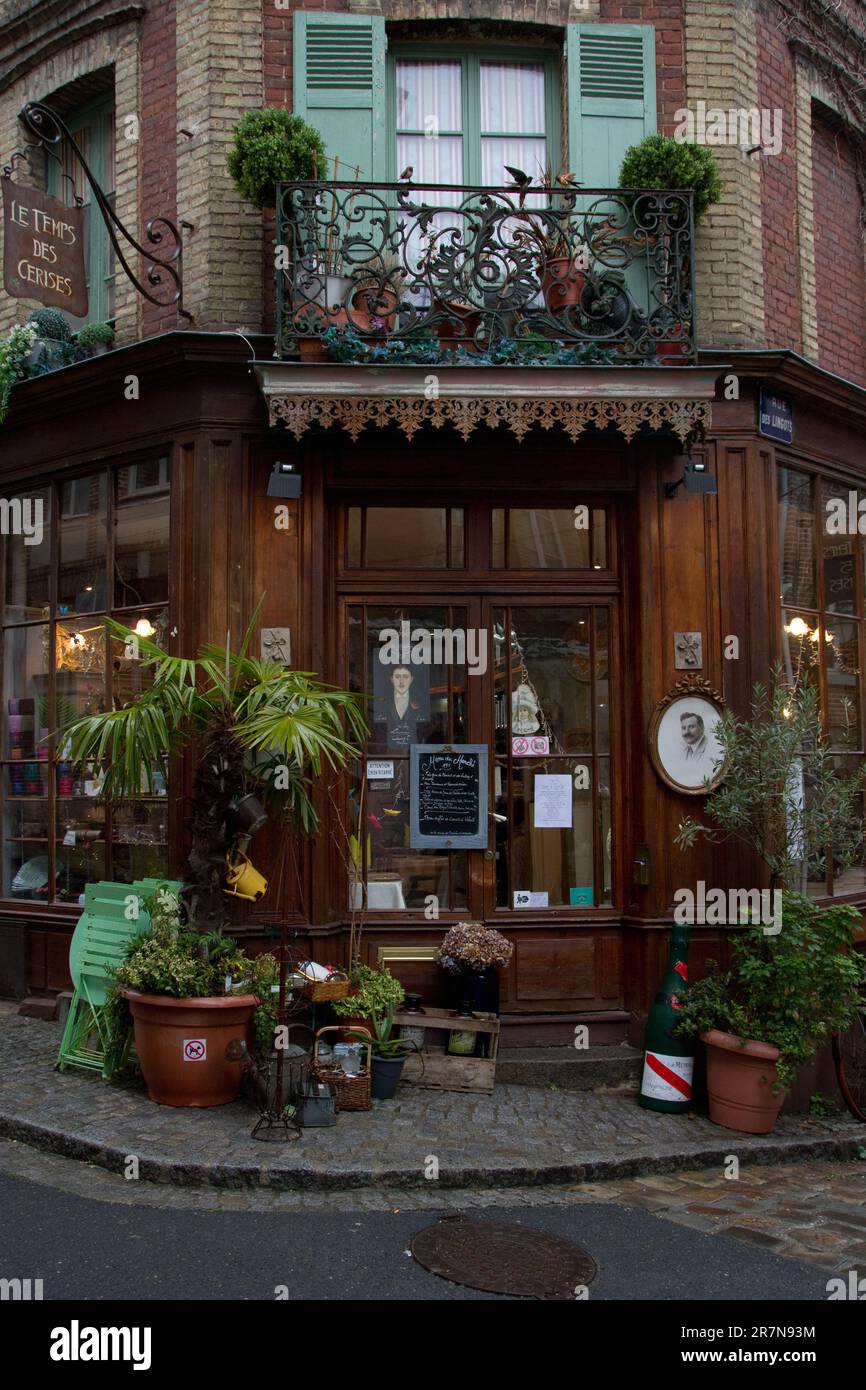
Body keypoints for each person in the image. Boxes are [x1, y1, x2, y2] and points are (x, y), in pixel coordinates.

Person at [383, 665, 422, 749]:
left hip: (413, 750)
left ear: (411, 679)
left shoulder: (420, 702)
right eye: (397, 677)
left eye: (405, 676)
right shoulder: (383, 702)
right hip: (388, 751)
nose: (401, 681)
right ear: (391, 679)